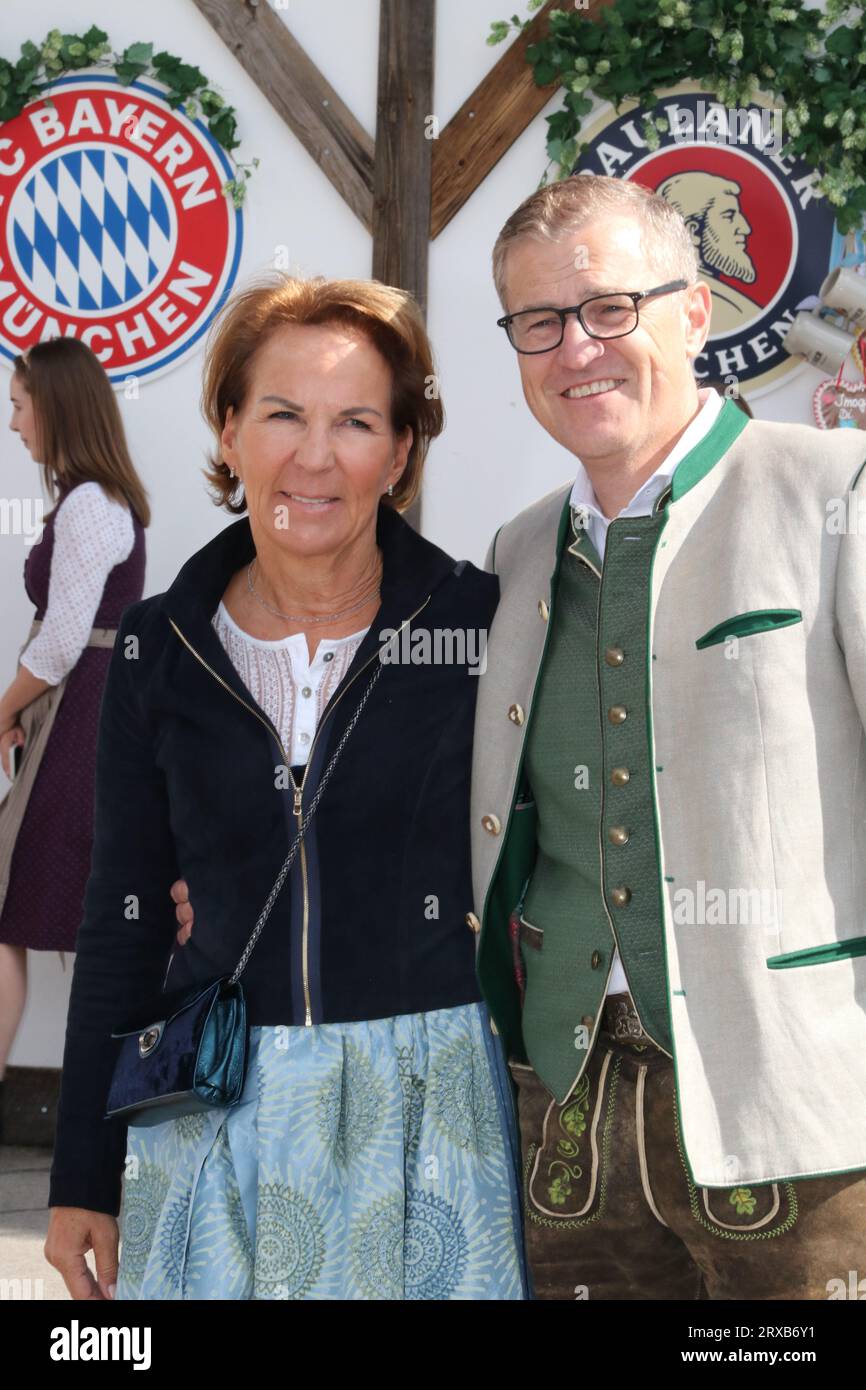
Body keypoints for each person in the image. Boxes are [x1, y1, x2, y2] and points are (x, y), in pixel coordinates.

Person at [44, 275, 526, 1301]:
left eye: (354, 421)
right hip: (215, 1115)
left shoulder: (482, 628)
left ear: (398, 453)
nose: (314, 456)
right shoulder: (156, 647)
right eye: (280, 414)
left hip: (427, 1118)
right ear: (227, 431)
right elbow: (120, 919)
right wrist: (82, 1176)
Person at [469, 174, 866, 1300]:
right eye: (536, 322)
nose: (574, 348)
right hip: (569, 1123)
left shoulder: (832, 492)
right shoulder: (513, 555)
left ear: (693, 311)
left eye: (608, 307)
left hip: (798, 1115)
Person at [0, 340, 148, 1136]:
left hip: (86, 721)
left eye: (21, 403)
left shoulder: (93, 502)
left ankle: (111, 1120)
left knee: (26, 911)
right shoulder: (89, 499)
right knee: (42, 913)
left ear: (56, 405)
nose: (14, 420)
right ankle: (110, 1119)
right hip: (78, 716)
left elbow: (62, 641)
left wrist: (1, 708)